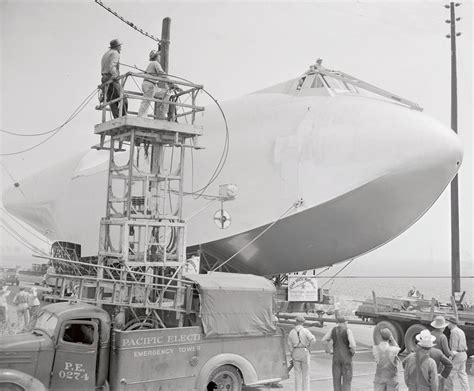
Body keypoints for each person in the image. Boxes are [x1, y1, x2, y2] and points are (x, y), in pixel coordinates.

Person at [322, 315, 356, 391]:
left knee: (336, 380)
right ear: (345, 322)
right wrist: (352, 352)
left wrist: (328, 350)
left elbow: (324, 340)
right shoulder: (348, 330)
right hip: (346, 359)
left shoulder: (333, 330)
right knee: (347, 380)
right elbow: (353, 345)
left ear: (338, 323)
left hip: (336, 358)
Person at [137, 49, 170, 119]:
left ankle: (163, 113)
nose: (160, 57)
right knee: (146, 101)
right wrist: (171, 82)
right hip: (150, 84)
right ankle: (141, 117)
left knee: (166, 93)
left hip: (152, 85)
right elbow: (162, 73)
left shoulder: (152, 64)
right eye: (159, 55)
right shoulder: (155, 63)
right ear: (156, 56)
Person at [287, 314, 316, 391]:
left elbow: (289, 345)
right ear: (303, 322)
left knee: (297, 373)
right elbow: (313, 340)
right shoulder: (305, 331)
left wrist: (292, 353)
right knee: (306, 374)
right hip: (304, 351)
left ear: (296, 321)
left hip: (295, 351)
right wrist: (309, 346)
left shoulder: (292, 332)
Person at [101, 39, 128, 118]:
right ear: (117, 47)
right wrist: (115, 76)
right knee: (123, 98)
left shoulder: (106, 53)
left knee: (112, 100)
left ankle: (117, 117)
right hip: (110, 78)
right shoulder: (115, 53)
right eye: (120, 46)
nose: (121, 48)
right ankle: (123, 117)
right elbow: (112, 66)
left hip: (104, 78)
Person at [445, 316, 470, 391]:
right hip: (463, 354)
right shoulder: (460, 330)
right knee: (462, 374)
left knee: (450, 374)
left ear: (451, 323)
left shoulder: (454, 332)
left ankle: (449, 390)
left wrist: (450, 358)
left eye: (448, 322)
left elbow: (454, 347)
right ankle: (466, 389)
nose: (447, 324)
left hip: (458, 355)